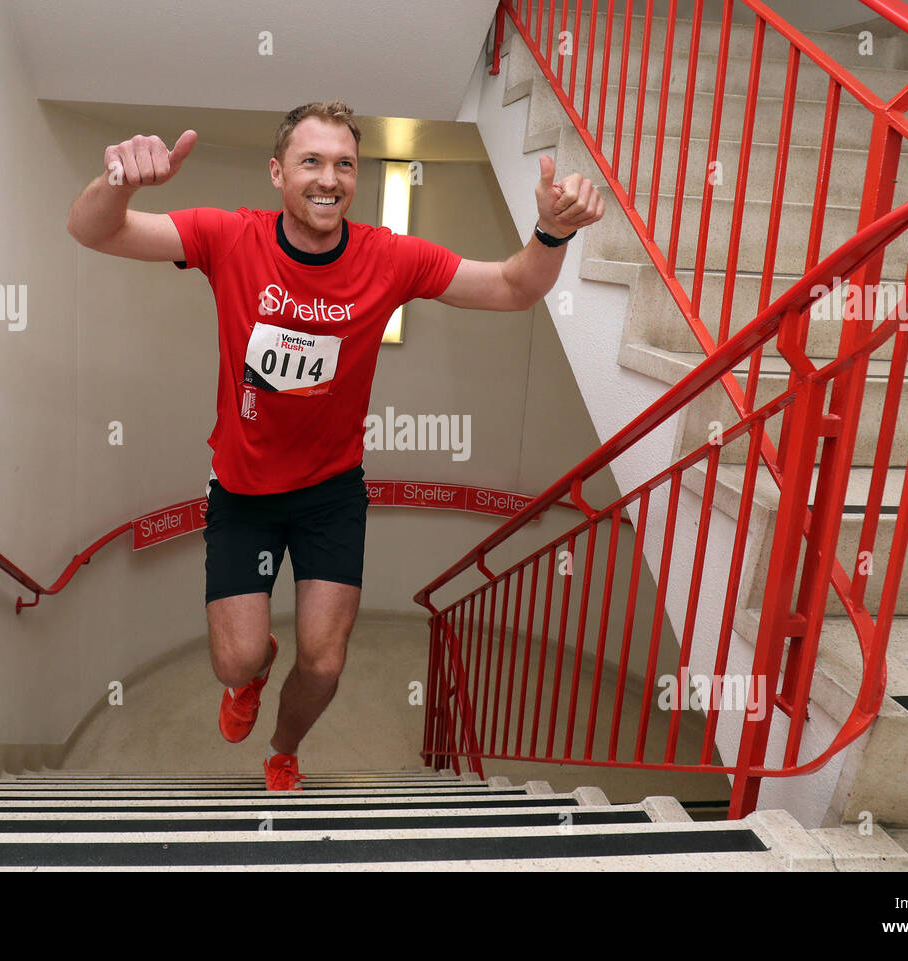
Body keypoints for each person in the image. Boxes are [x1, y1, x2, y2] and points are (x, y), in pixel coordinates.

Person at [66, 100, 604, 790]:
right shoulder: (228, 237)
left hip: (330, 494)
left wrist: (551, 234)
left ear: (357, 176)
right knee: (232, 661)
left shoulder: (389, 256)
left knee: (324, 661)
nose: (329, 178)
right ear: (277, 172)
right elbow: (93, 230)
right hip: (242, 491)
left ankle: (283, 749)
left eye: (344, 164)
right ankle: (251, 672)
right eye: (311, 161)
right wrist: (121, 180)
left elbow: (512, 285)